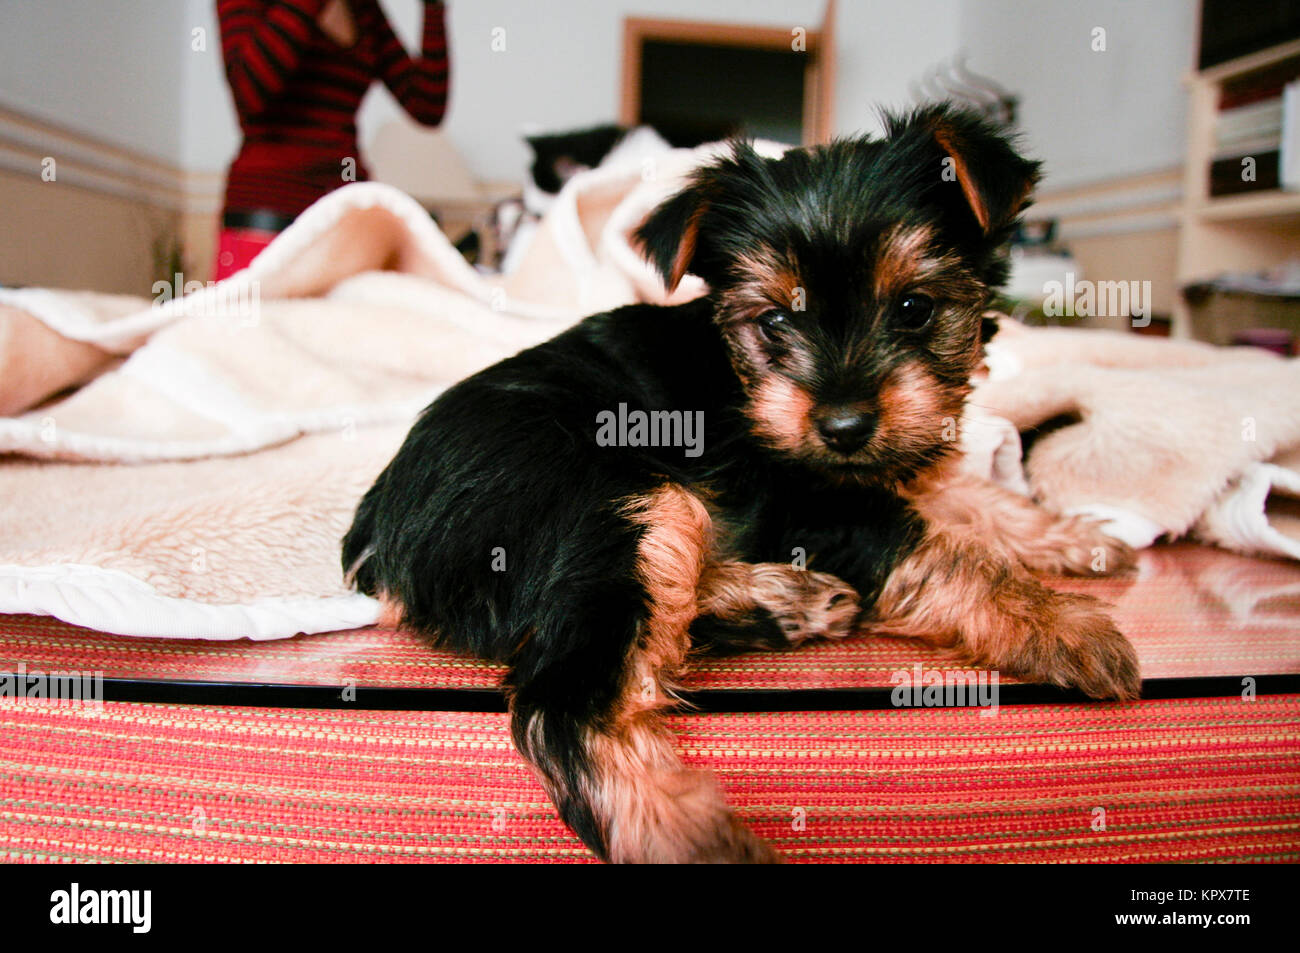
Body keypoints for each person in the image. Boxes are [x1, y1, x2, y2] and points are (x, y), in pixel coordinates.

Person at [213, 0, 450, 279]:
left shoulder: (363, 9)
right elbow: (249, 92)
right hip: (267, 217)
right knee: (247, 322)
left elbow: (427, 106)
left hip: (347, 220)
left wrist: (433, 8)